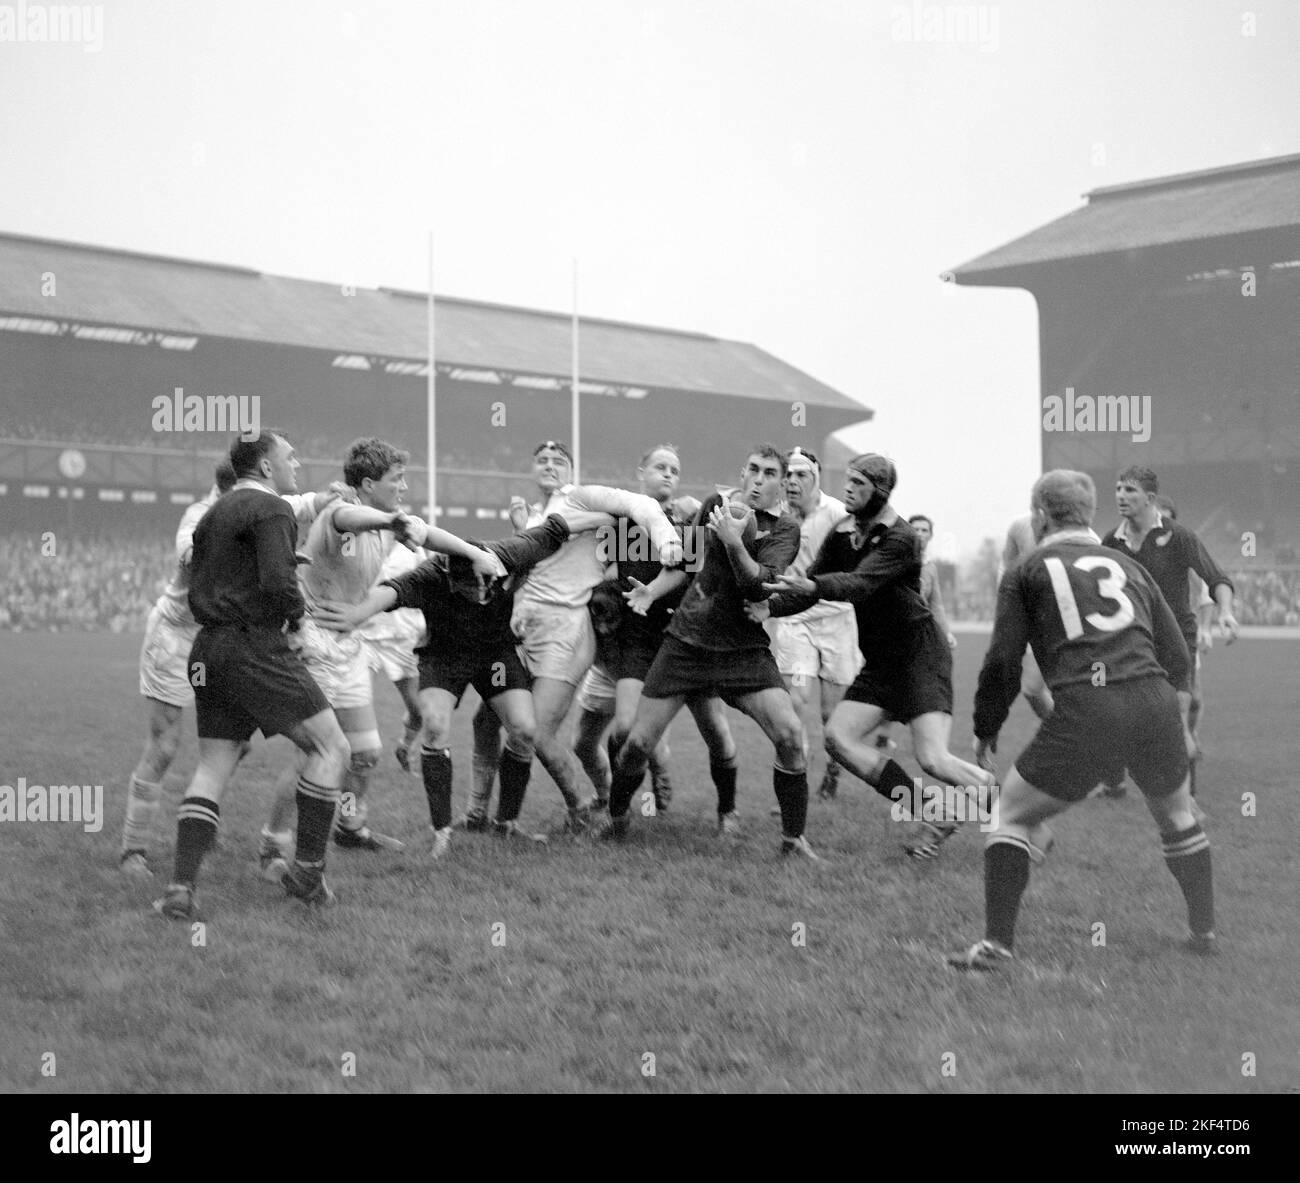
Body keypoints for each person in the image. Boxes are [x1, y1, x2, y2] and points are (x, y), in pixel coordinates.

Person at [949, 470, 1214, 970]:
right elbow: (1177, 654)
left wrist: (986, 728)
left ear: (1040, 515)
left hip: (1090, 708)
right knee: (1178, 816)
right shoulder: (1128, 565)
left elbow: (1003, 662)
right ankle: (1204, 932)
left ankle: (996, 948)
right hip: (1153, 701)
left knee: (1011, 815)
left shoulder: (1027, 569)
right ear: (1090, 514)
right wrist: (1176, 715)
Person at [256, 437, 504, 874]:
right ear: (369, 484)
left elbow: (432, 535)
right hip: (313, 639)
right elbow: (350, 516)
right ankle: (273, 845)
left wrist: (473, 554)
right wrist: (391, 519)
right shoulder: (343, 513)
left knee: (366, 751)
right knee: (315, 752)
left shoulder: (389, 523)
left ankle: (350, 826)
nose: (404, 487)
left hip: (349, 640)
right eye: (397, 479)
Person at [153, 431, 353, 917]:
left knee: (213, 765)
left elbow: (222, 571)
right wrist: (300, 621)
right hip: (253, 645)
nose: (297, 464)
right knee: (333, 748)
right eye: (290, 456)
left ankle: (181, 890)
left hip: (207, 650)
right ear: (266, 467)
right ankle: (307, 873)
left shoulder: (214, 512)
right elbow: (276, 582)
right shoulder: (273, 509)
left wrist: (283, 560)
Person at [757, 454, 994, 861]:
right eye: (847, 480)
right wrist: (768, 609)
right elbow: (810, 585)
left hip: (920, 655)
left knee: (933, 758)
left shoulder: (901, 538)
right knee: (838, 739)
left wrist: (811, 585)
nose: (847, 488)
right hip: (882, 661)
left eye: (858, 483)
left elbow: (859, 584)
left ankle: (1002, 803)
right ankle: (933, 811)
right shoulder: (843, 531)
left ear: (879, 491)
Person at [599, 445, 819, 857]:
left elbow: (759, 585)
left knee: (789, 734)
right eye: (752, 469)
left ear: (782, 484)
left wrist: (735, 543)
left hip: (743, 650)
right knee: (637, 743)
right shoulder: (715, 506)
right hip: (687, 643)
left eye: (770, 473)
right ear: (741, 472)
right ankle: (616, 819)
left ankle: (792, 839)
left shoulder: (786, 530)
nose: (758, 478)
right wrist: (652, 590)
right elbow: (685, 562)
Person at [318, 514, 581, 857]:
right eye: (475, 590)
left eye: (490, 585)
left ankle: (507, 824)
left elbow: (556, 528)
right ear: (453, 582)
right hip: (445, 658)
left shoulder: (510, 553)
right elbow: (390, 592)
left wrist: (631, 510)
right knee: (436, 724)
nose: (485, 594)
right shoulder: (431, 576)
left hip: (493, 658)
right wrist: (356, 615)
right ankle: (442, 831)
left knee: (525, 729)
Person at [471, 441, 683, 829]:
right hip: (524, 631)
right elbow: (533, 568)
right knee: (486, 719)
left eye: (559, 461)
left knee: (538, 730)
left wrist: (668, 538)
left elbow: (642, 506)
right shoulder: (538, 516)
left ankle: (588, 808)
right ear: (532, 467)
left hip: (567, 631)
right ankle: (476, 812)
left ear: (571, 471)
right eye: (543, 460)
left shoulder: (580, 498)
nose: (550, 466)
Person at [571, 445, 735, 821]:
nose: (667, 475)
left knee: (714, 729)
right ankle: (620, 812)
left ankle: (728, 812)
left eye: (674, 470)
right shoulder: (620, 524)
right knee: (627, 728)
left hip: (683, 641)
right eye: (659, 467)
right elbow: (607, 573)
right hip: (637, 640)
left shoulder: (688, 525)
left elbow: (691, 577)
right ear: (639, 472)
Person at [1102, 468, 1238, 802]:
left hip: (1176, 640)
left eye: (1130, 490)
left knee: (1178, 722)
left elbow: (1216, 577)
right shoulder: (1111, 541)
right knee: (1120, 714)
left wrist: (1226, 611)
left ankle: (1187, 802)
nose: (1121, 495)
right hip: (1130, 642)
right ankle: (1116, 781)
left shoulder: (1179, 537)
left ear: (1149, 498)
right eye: (1118, 489)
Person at [765, 448, 862, 803]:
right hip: (795, 620)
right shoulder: (776, 517)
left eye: (801, 475)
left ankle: (832, 773)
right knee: (796, 700)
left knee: (830, 713)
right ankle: (798, 777)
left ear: (817, 478)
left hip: (836, 618)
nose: (792, 481)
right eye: (788, 475)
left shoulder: (838, 515)